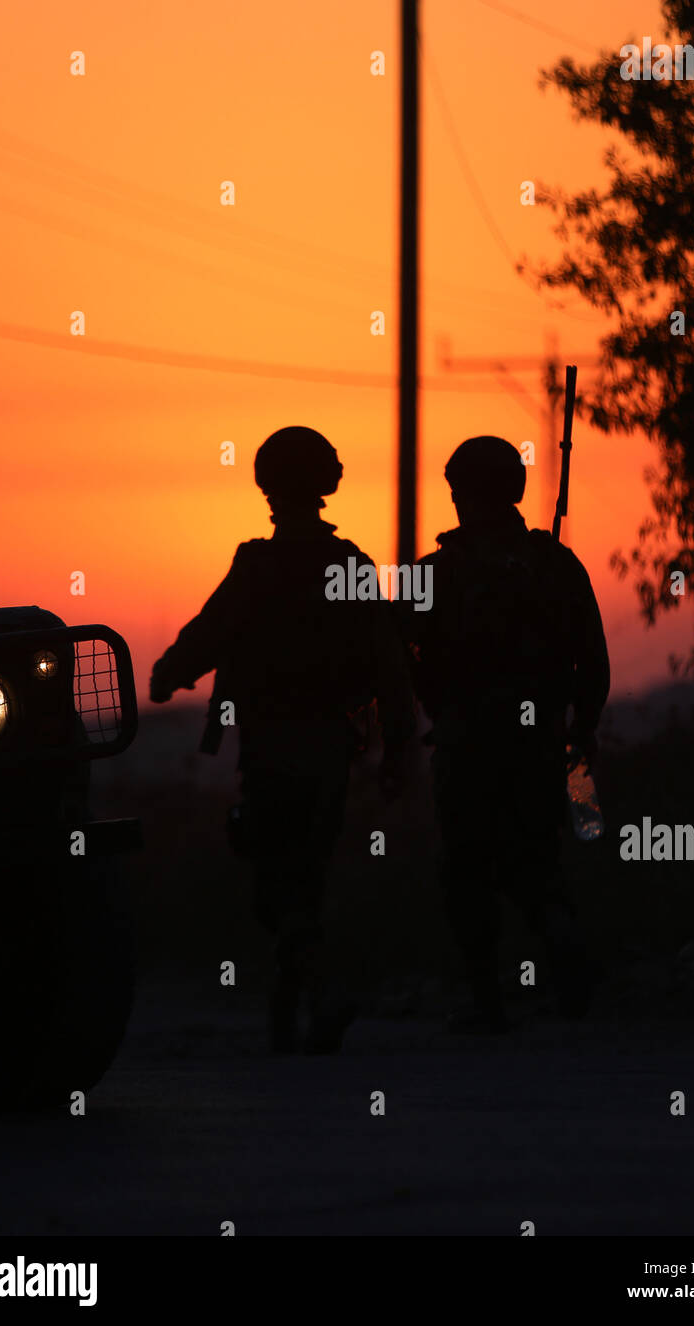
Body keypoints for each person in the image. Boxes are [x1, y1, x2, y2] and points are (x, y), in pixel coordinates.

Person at [150, 427, 414, 1053]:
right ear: (328, 484)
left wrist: (165, 676)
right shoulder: (349, 565)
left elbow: (209, 635)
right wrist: (398, 749)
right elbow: (390, 666)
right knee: (306, 878)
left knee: (278, 887)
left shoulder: (258, 565)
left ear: (268, 487)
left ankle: (315, 995)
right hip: (329, 752)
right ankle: (296, 1012)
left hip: (273, 749)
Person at [397, 436, 610, 1031]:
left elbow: (395, 655)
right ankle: (561, 942)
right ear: (515, 491)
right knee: (536, 860)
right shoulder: (554, 564)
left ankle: (487, 1001)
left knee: (467, 867)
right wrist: (582, 725)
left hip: (465, 740)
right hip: (541, 742)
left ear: (459, 493)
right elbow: (592, 659)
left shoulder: (434, 575)